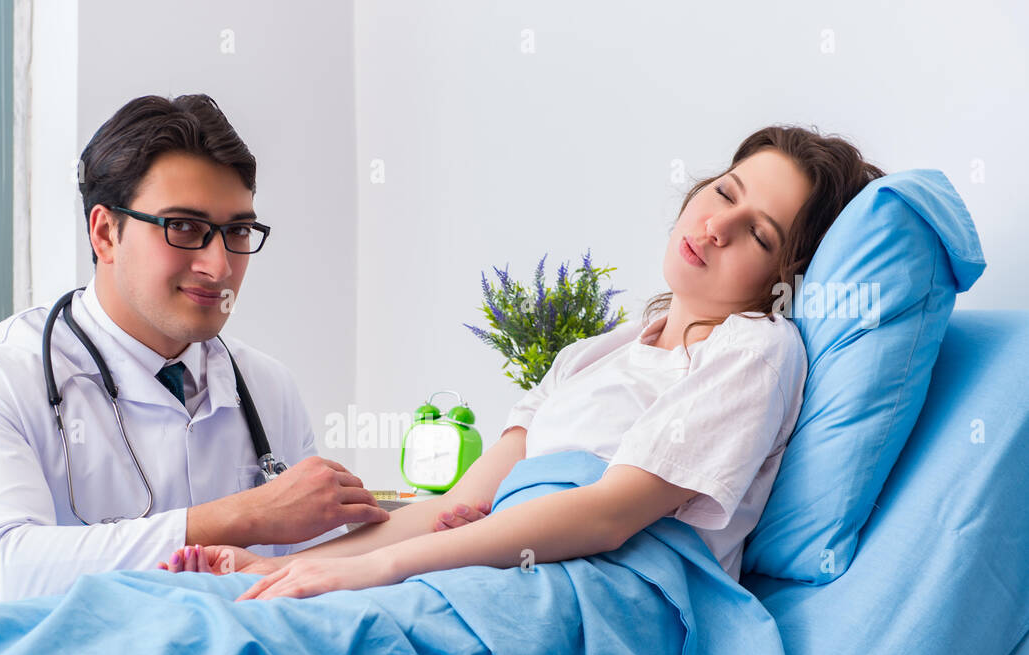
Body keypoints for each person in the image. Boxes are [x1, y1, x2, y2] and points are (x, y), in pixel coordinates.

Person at [163, 125, 885, 595]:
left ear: (784, 275)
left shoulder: (757, 348)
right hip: (501, 568)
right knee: (222, 607)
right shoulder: (594, 355)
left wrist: (377, 572)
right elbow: (460, 505)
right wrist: (294, 566)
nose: (717, 225)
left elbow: (605, 517)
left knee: (278, 648)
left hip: (601, 596)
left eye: (758, 234)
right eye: (724, 192)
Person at [0, 94, 491, 603]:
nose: (219, 266)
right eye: (184, 228)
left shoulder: (267, 388)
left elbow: (305, 581)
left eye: (237, 232)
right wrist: (243, 516)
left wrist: (426, 536)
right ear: (105, 233)